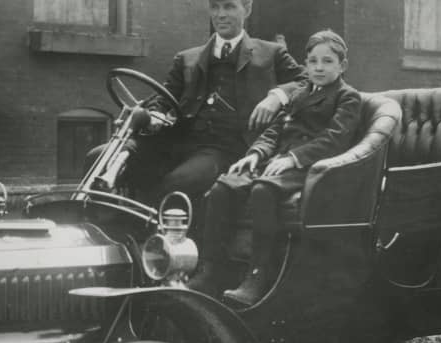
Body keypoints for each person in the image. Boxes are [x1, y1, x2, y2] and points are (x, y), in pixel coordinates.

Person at [187, 29, 362, 306]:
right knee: (224, 186)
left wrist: (293, 158)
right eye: (313, 61)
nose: (318, 67)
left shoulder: (347, 97)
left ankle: (258, 275)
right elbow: (276, 129)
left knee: (263, 191)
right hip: (277, 161)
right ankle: (210, 270)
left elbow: (334, 140)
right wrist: (256, 154)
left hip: (312, 168)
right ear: (305, 65)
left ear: (343, 66)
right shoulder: (300, 92)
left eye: (327, 61)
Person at [85, 0, 307, 207]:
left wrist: (276, 96)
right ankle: (108, 231)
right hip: (178, 142)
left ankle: (151, 237)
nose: (220, 14)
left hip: (226, 148)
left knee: (180, 182)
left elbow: (306, 81)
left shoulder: (271, 53)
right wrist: (154, 116)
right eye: (215, 7)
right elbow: (162, 100)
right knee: (99, 158)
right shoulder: (187, 58)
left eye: (229, 7)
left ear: (247, 9)